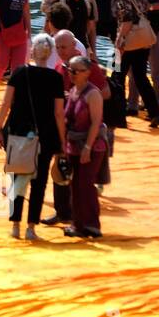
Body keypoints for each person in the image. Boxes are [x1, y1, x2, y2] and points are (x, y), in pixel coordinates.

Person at [0, 33, 66, 240]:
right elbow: (59, 113)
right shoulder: (56, 78)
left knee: (18, 178)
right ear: (51, 52)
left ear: (32, 51)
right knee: (39, 182)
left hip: (18, 133)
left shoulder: (19, 73)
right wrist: (62, 140)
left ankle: (15, 225)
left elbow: (6, 103)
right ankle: (31, 227)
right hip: (45, 135)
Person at [112, 0, 159, 128]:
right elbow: (147, 9)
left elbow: (126, 20)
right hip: (142, 41)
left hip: (127, 42)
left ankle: (117, 114)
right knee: (141, 77)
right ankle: (155, 112)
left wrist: (119, 41)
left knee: (117, 76)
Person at [63, 51, 108, 239]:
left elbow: (96, 123)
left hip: (92, 146)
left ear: (87, 73)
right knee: (75, 185)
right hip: (73, 145)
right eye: (69, 70)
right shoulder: (72, 91)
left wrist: (88, 148)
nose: (71, 74)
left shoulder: (93, 94)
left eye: (76, 71)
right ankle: (78, 224)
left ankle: (92, 225)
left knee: (86, 185)